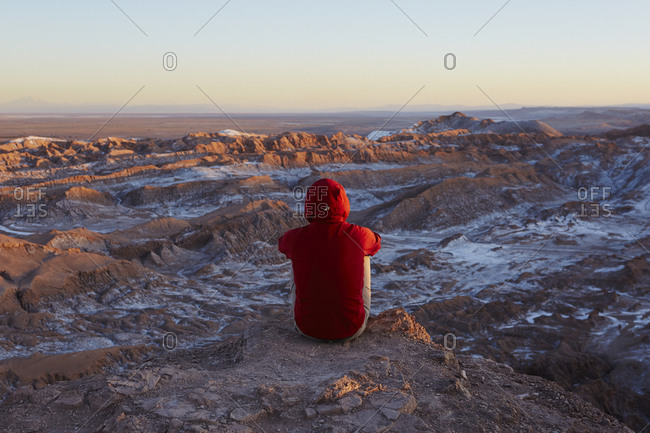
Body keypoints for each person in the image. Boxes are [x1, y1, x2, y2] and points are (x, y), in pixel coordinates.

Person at [278, 178, 381, 342]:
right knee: (364, 253)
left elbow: (282, 244)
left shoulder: (296, 238)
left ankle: (310, 313)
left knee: (295, 253)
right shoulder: (358, 235)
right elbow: (376, 242)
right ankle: (351, 312)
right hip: (352, 329)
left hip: (307, 329)